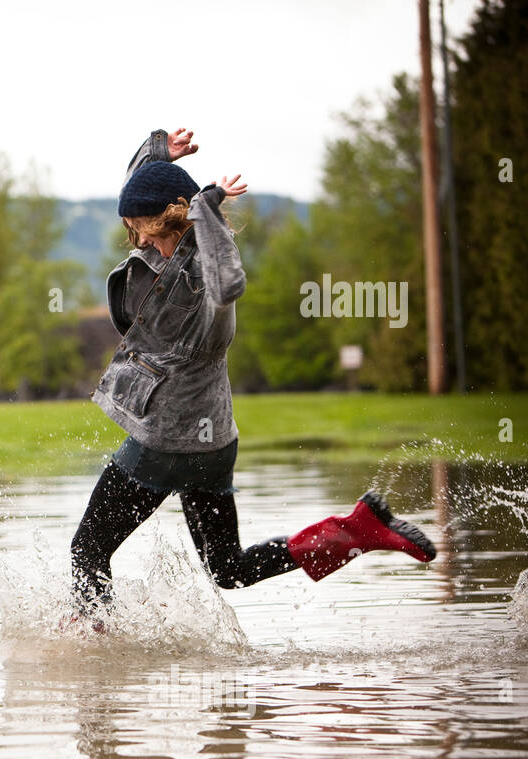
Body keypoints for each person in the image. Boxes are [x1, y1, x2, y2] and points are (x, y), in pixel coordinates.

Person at [70, 127, 435, 622]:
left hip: (164, 444)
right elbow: (141, 192)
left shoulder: (207, 283)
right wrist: (158, 157)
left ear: (180, 220)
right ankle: (356, 530)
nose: (146, 244)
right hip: (214, 445)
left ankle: (97, 661)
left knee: (86, 554)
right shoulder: (173, 245)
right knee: (229, 568)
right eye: (138, 233)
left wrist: (205, 208)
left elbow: (230, 281)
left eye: (154, 233)